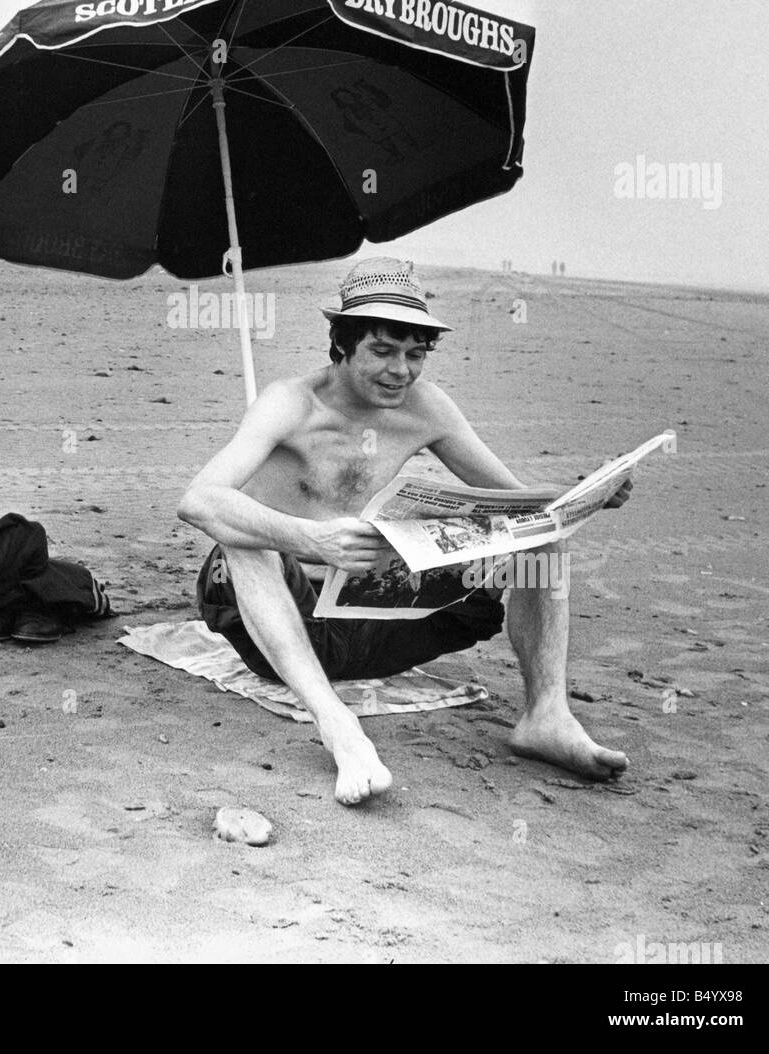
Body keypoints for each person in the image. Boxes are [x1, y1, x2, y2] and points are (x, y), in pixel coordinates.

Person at [177, 257, 633, 806]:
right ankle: (338, 728)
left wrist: (581, 497)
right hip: (277, 620)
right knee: (240, 533)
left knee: (539, 542)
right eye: (383, 350)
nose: (401, 370)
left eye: (415, 354)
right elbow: (199, 500)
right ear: (342, 344)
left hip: (366, 619)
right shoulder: (290, 402)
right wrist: (311, 539)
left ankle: (547, 716)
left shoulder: (426, 407)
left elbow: (516, 502)